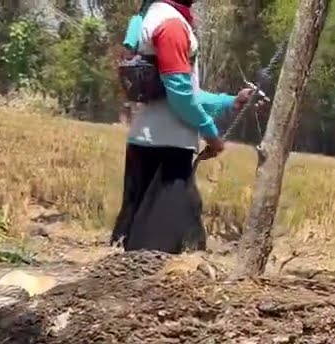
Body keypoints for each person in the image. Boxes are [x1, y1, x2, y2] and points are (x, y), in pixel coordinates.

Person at [110, 0, 257, 254]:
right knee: (156, 251)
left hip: (149, 144)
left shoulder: (156, 17)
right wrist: (211, 134)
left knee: (152, 243)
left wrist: (230, 102)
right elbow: (180, 96)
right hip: (165, 151)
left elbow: (185, 92)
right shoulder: (172, 26)